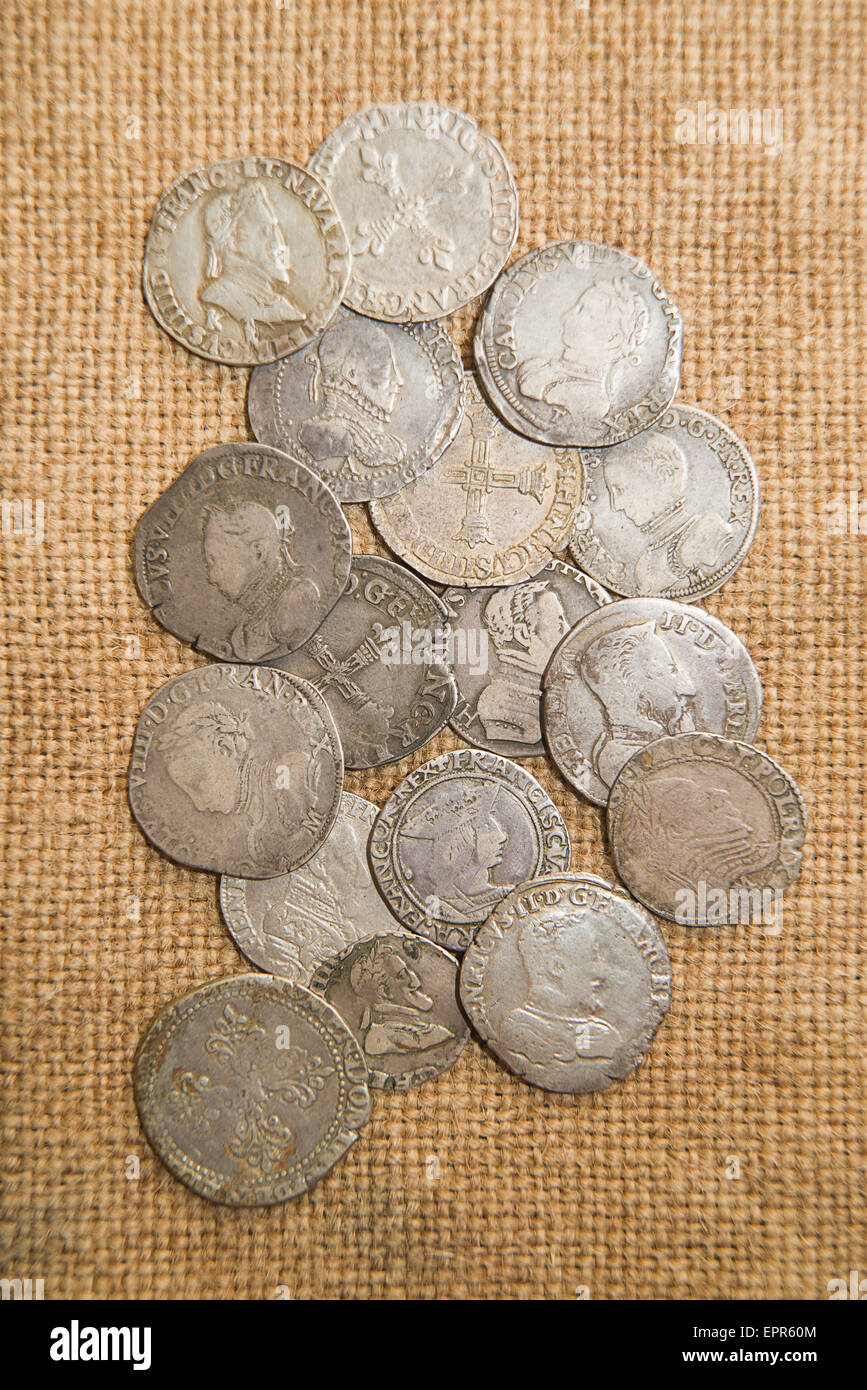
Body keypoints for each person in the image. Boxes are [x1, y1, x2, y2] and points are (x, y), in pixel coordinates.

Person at [603, 434, 737, 593]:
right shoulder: (645, 563)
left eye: (620, 490)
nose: (616, 505)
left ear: (663, 474)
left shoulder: (713, 532)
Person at [516, 275, 648, 435]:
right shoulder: (536, 367)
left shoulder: (591, 401)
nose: (566, 316)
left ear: (612, 338)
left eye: (583, 311)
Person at [201, 501, 322, 661]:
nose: (212, 578)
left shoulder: (296, 604)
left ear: (258, 552)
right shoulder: (243, 634)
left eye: (216, 561)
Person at [579, 620, 696, 786]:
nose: (689, 689)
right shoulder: (628, 763)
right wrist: (689, 748)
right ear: (634, 687)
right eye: (671, 671)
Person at [500, 913, 620, 1066]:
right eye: (594, 958)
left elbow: (583, 1049)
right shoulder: (519, 1032)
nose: (602, 974)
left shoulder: (599, 1034)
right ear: (557, 967)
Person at [199, 181, 305, 347]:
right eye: (265, 231)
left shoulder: (282, 306)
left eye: (275, 231)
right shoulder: (219, 298)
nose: (278, 244)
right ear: (233, 241)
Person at [299, 315, 407, 475]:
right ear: (352, 373)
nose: (399, 380)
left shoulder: (378, 442)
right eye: (386, 366)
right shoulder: (324, 437)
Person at [398, 781, 514, 922]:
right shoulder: (439, 906)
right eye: (486, 827)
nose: (502, 837)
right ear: (463, 841)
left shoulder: (511, 897)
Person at [476, 581, 570, 744]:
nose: (568, 631)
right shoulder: (502, 706)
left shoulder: (535, 697)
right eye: (559, 621)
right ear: (523, 635)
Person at [349, 939, 457, 1056]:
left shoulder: (422, 1031)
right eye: (402, 975)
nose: (415, 982)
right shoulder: (382, 1037)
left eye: (409, 971)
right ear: (385, 991)